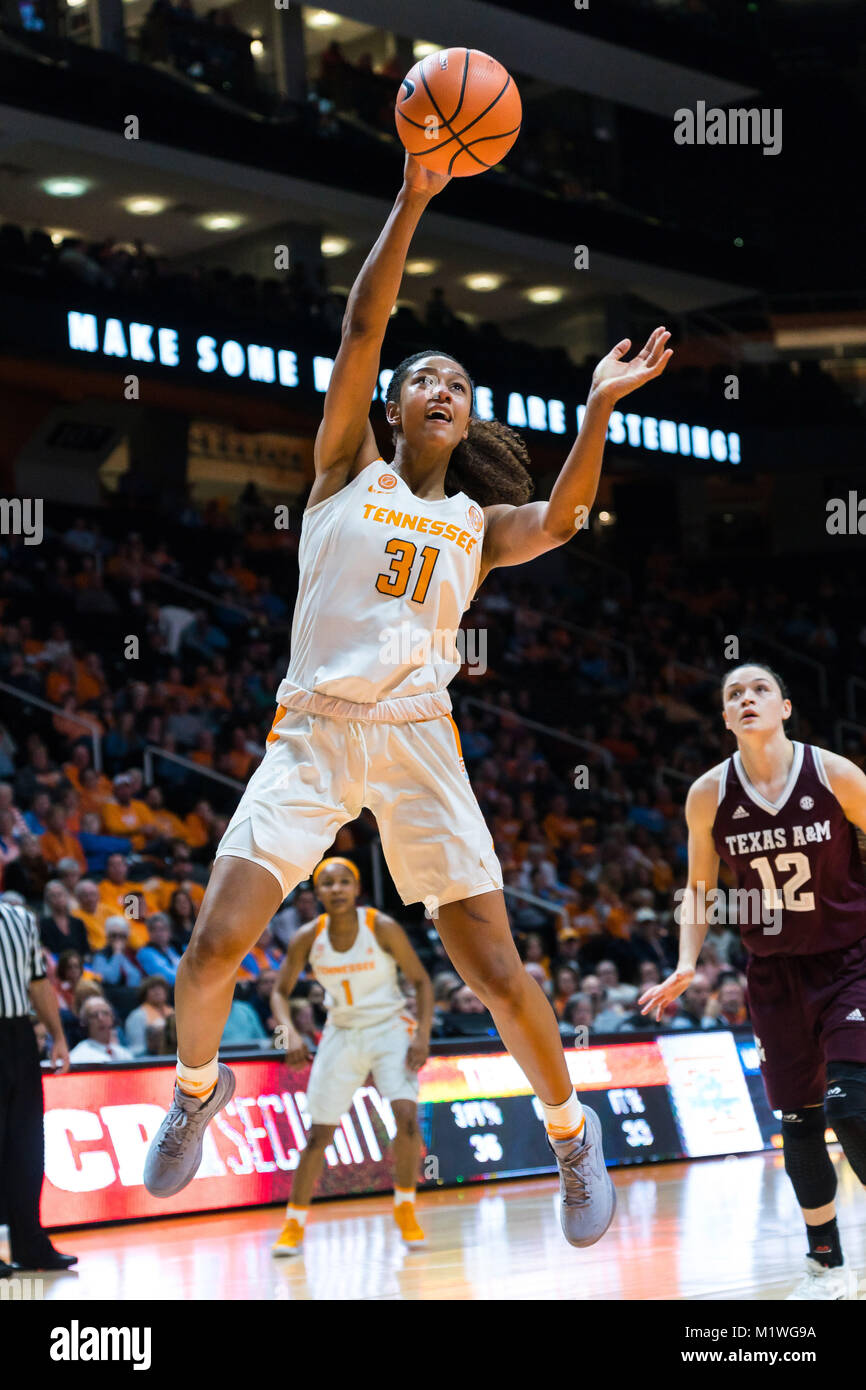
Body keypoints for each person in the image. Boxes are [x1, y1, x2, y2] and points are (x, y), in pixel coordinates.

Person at [143, 150, 671, 1249]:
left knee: (491, 968)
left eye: (461, 388)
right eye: (425, 379)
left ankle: (572, 1133)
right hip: (311, 733)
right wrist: (416, 193)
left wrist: (595, 415)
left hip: (419, 740)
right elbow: (360, 324)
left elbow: (565, 522)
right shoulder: (343, 472)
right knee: (209, 946)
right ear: (389, 406)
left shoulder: (476, 526)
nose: (444, 392)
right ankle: (197, 1090)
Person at [640, 663, 866, 1301]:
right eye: (733, 693)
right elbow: (700, 885)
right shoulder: (708, 794)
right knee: (799, 1121)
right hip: (772, 972)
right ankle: (827, 1265)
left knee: (850, 1105)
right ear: (724, 717)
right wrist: (687, 962)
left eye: (759, 689)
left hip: (848, 958)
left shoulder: (836, 774)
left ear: (786, 707)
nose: (746, 698)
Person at [269, 858, 433, 1255]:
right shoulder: (308, 936)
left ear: (356, 889)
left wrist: (423, 1034)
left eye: (345, 882)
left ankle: (406, 1208)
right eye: (328, 884)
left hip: (390, 1027)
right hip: (341, 1031)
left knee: (407, 1117)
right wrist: (288, 1032)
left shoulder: (382, 926)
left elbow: (421, 981)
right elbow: (278, 992)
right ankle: (293, 1225)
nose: (337, 889)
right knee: (318, 1136)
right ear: (317, 893)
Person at [0, 899, 75, 1276]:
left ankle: (30, 1245)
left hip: (18, 1036)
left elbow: (38, 981)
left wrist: (59, 1036)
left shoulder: (20, 919)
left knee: (27, 1144)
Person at [68, 996, 133, 1062]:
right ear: (85, 1022)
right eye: (94, 1015)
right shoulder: (77, 1056)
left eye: (105, 1013)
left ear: (112, 1018)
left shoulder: (124, 1054)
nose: (100, 1018)